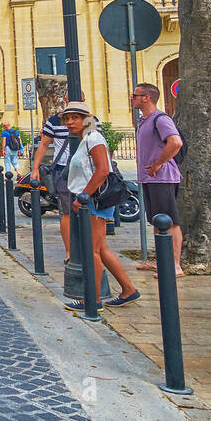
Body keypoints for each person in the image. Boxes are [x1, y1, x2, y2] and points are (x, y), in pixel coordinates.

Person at [61, 101, 140, 311]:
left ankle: (93, 300)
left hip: (94, 200)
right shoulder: (85, 140)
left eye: (75, 118)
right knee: (101, 249)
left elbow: (103, 170)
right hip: (91, 199)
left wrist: (83, 196)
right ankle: (128, 289)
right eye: (67, 118)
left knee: (92, 251)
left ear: (86, 119)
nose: (70, 122)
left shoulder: (93, 138)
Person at [132, 83, 185, 278]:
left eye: (135, 95)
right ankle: (162, 260)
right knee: (157, 220)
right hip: (149, 179)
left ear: (146, 98)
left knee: (170, 221)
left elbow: (175, 142)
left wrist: (158, 164)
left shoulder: (161, 119)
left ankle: (175, 265)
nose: (132, 98)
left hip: (162, 178)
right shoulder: (143, 121)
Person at [29, 107, 75, 260]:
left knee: (88, 212)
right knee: (66, 211)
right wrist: (35, 168)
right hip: (63, 171)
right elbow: (43, 144)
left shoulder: (90, 120)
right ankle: (70, 252)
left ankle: (90, 249)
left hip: (85, 171)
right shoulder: (54, 120)